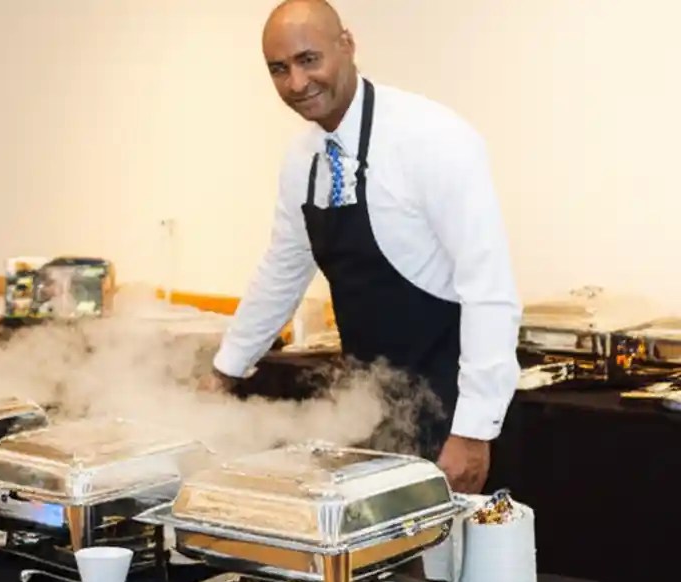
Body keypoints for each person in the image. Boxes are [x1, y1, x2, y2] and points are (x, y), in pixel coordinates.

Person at [204, 0, 521, 494]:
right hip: (366, 407)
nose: (296, 84)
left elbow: (489, 290)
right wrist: (224, 372)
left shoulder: (433, 138)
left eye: (310, 60)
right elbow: (282, 270)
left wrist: (473, 431)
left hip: (448, 408)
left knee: (445, 567)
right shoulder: (301, 161)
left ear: (347, 45)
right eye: (279, 69)